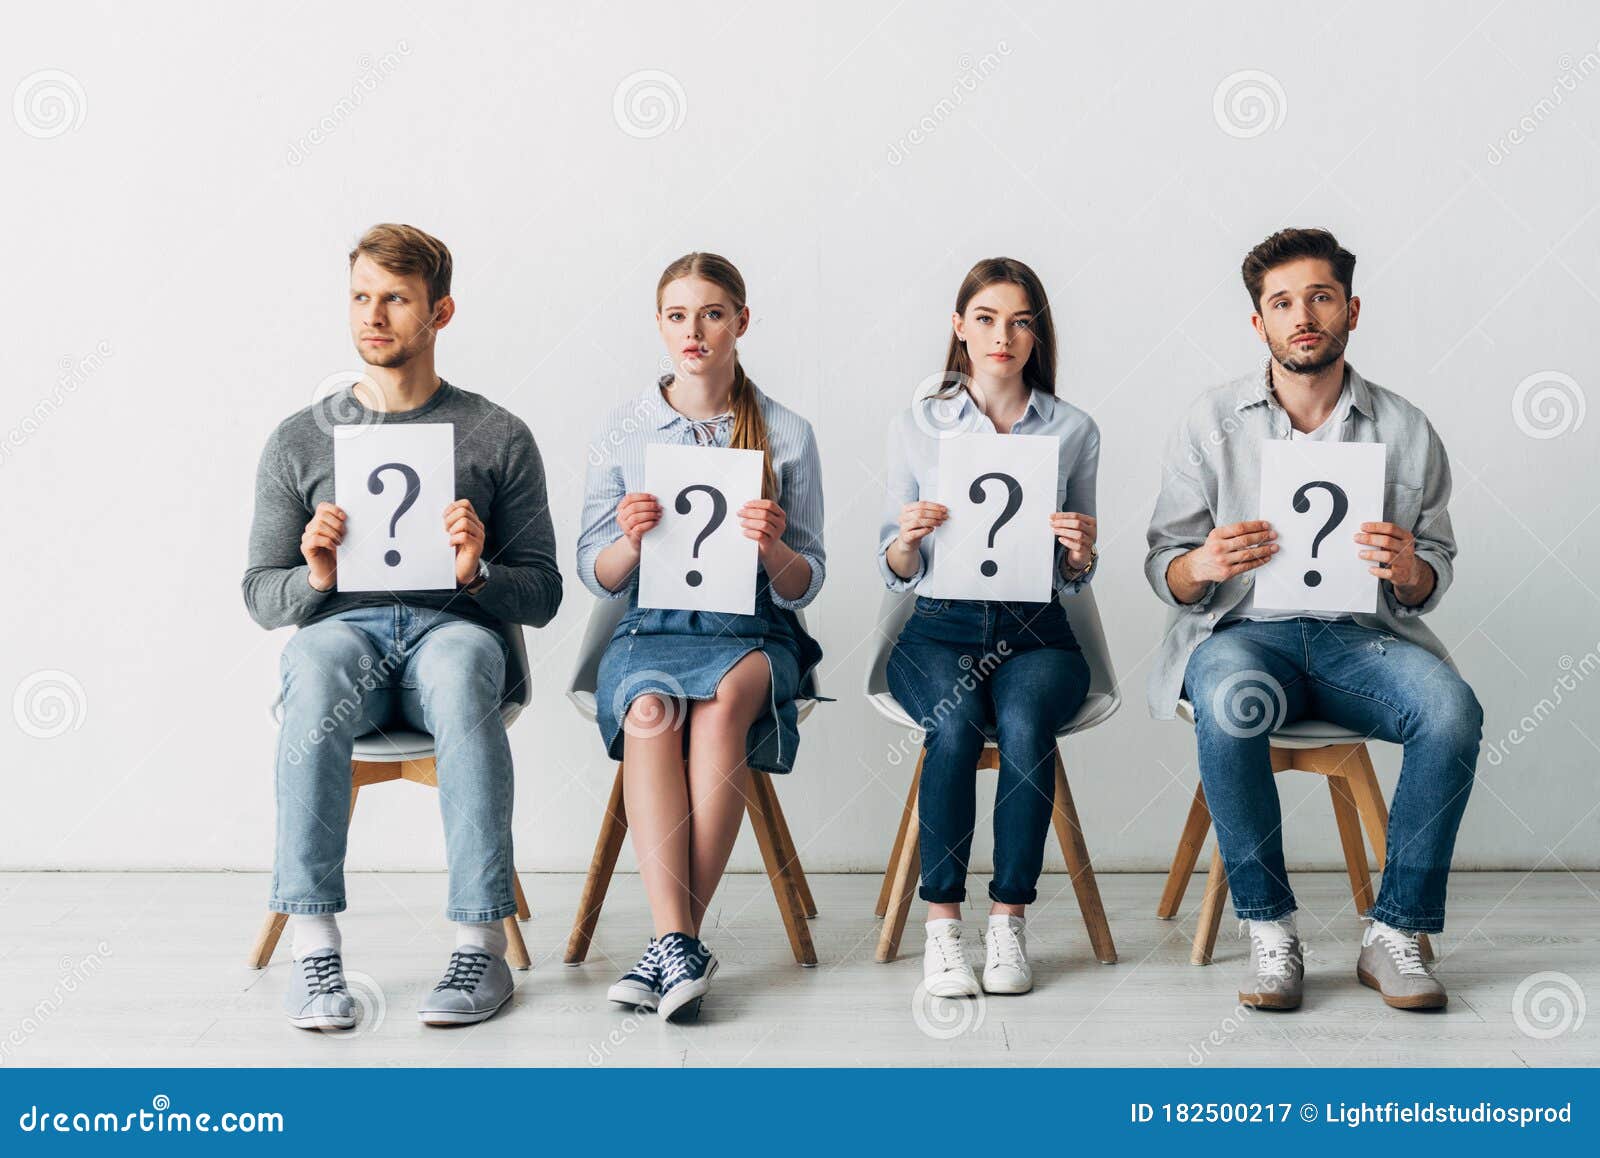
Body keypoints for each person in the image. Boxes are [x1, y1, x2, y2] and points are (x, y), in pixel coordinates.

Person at [1144, 227, 1481, 1012]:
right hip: (1243, 637)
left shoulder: (1406, 428)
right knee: (1230, 704)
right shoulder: (1210, 420)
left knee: (1452, 709)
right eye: (1283, 302)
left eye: (1321, 297)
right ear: (1257, 322)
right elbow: (1167, 567)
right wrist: (1204, 564)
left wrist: (1412, 569)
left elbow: (1435, 568)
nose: (1304, 315)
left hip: (1363, 641)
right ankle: (1270, 930)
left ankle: (1393, 932)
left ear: (1351, 311)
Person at [243, 224, 562, 1029]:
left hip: (451, 634)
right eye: (360, 296)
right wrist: (312, 578)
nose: (373, 316)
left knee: (458, 667)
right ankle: (314, 951)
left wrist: (477, 573)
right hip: (342, 637)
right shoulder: (299, 438)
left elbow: (546, 593)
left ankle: (480, 948)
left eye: (395, 298)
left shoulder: (497, 434)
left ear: (440, 311)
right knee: (314, 667)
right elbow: (258, 594)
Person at [575, 252, 825, 1022]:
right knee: (652, 712)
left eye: (712, 313)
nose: (694, 331)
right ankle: (678, 942)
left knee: (720, 707)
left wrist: (773, 547)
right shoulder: (625, 428)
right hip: (650, 630)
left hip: (753, 631)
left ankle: (671, 945)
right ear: (660, 325)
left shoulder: (786, 432)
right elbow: (595, 572)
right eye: (678, 315)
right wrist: (628, 537)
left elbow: (807, 580)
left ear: (740, 323)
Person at [878, 257, 1099, 998]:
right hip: (938, 627)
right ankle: (942, 925)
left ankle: (1009, 921)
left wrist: (1079, 552)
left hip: (1038, 631)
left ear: (1038, 334)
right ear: (959, 328)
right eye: (986, 319)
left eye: (1021, 321)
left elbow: (1075, 575)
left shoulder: (1073, 429)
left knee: (1027, 723)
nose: (1002, 335)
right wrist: (907, 538)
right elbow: (894, 567)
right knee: (955, 722)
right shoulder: (916, 426)